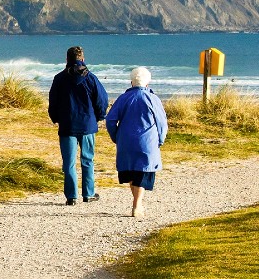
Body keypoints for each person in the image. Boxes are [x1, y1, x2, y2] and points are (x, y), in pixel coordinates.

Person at [47, 45, 109, 206]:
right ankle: (88, 193)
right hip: (87, 124)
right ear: (82, 58)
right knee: (87, 160)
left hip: (67, 124)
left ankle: (71, 196)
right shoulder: (91, 78)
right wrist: (99, 116)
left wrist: (55, 118)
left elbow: (53, 101)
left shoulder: (59, 78)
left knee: (68, 163)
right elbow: (102, 100)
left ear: (67, 59)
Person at [106, 66, 168, 218]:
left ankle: (136, 202)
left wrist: (116, 137)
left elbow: (110, 120)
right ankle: (137, 205)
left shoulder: (123, 98)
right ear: (148, 83)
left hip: (126, 142)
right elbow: (162, 123)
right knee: (142, 173)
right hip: (146, 142)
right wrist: (160, 139)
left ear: (131, 82)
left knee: (132, 173)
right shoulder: (153, 99)